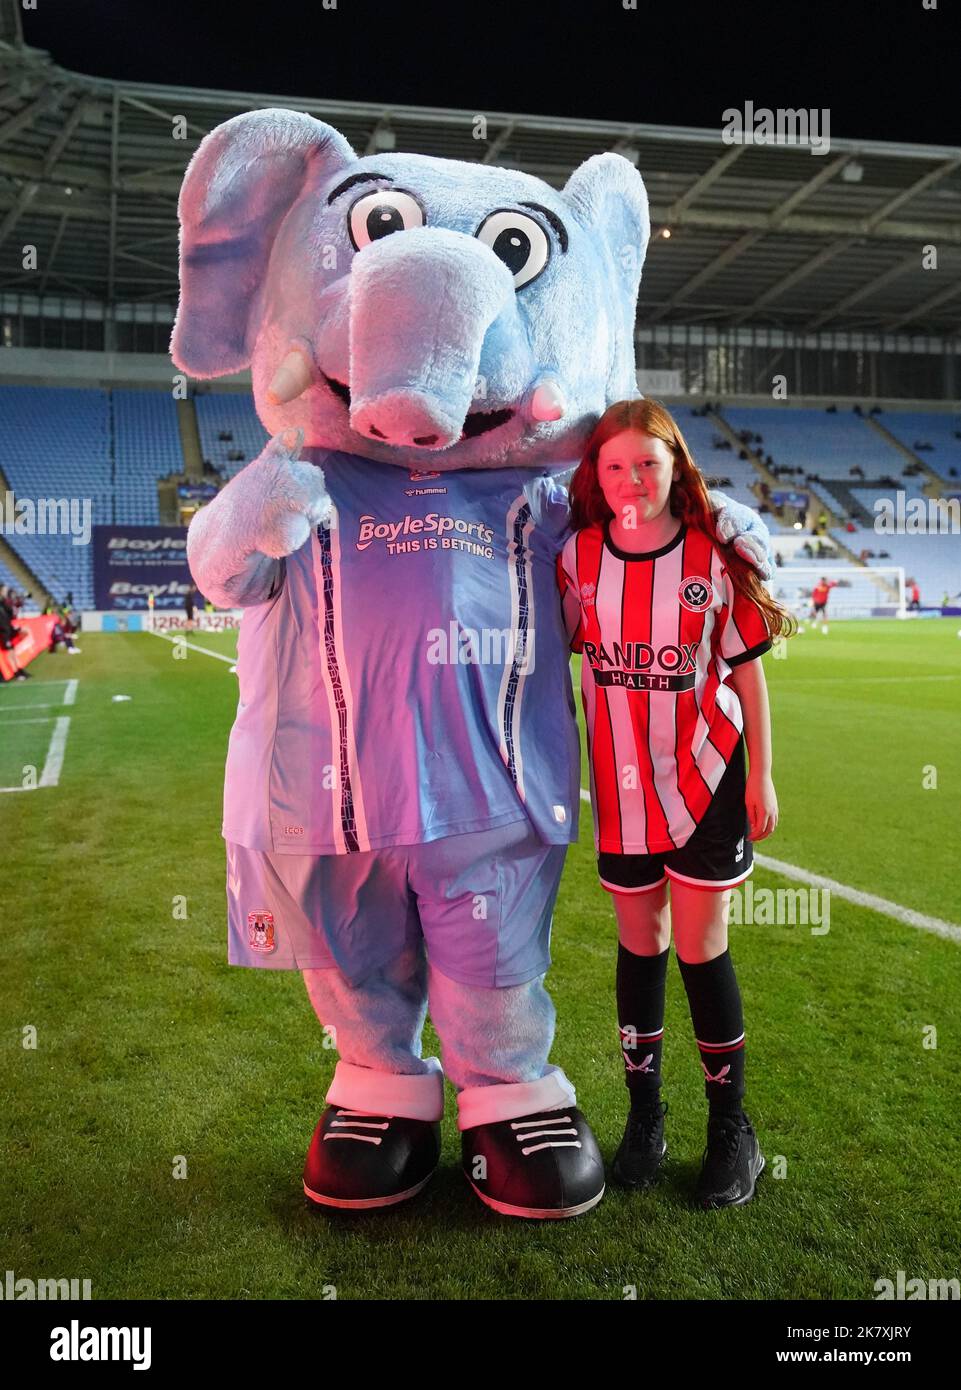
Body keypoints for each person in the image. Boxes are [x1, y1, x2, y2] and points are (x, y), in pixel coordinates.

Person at [556, 399, 795, 1210]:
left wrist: (761, 775)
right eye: (615, 466)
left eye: (648, 465)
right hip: (622, 788)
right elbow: (544, 646)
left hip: (706, 779)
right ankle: (644, 1119)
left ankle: (731, 1131)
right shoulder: (578, 559)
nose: (632, 480)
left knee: (699, 950)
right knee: (638, 945)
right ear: (595, 475)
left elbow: (748, 674)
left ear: (674, 467)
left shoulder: (709, 558)